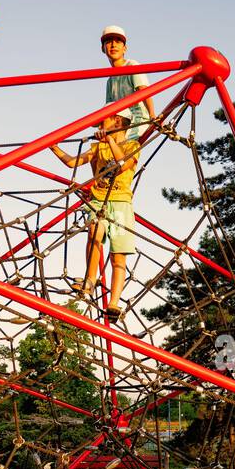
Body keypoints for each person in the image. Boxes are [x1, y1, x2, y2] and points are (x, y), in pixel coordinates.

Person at [50, 112, 139, 321]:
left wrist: (109, 138)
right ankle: (90, 281)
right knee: (94, 231)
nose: (99, 125)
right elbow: (72, 162)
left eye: (103, 121)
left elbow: (122, 164)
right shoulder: (99, 147)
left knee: (119, 257)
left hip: (120, 204)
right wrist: (54, 147)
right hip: (99, 200)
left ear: (116, 121)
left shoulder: (132, 146)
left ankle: (114, 303)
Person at [100, 26, 155, 143]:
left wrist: (152, 116)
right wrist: (103, 128)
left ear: (124, 48)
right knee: (101, 147)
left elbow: (143, 91)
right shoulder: (110, 81)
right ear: (103, 48)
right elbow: (109, 109)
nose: (113, 45)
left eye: (118, 42)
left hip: (139, 122)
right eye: (109, 42)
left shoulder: (131, 65)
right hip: (120, 125)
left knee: (115, 148)